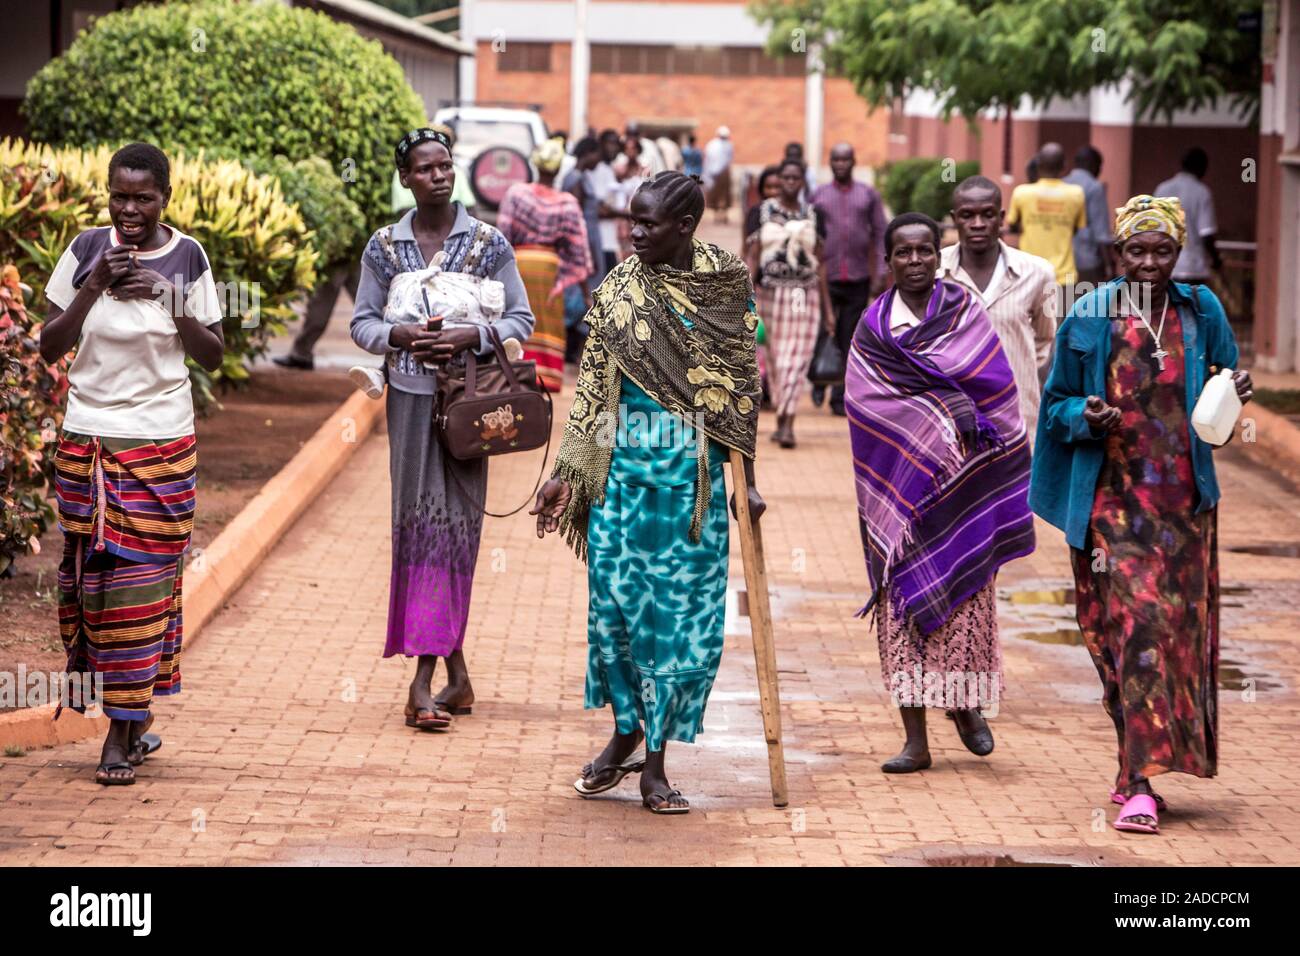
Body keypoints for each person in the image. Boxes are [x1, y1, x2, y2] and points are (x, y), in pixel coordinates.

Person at [531, 171, 764, 815]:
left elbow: (741, 390)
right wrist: (567, 474)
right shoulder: (618, 291)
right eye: (631, 220)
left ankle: (654, 765)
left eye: (648, 223)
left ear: (684, 228)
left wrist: (751, 480)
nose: (633, 233)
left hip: (693, 491)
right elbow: (594, 394)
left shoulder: (724, 284)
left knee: (681, 625)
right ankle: (625, 731)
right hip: (622, 489)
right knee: (617, 619)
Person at [1031, 195, 1252, 835]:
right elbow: (1056, 407)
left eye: (1162, 251)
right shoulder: (1089, 316)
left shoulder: (1201, 309)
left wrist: (1237, 392)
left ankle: (1139, 776)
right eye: (1137, 250)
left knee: (1167, 640)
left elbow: (1229, 380)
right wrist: (1084, 415)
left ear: (1178, 253)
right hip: (1111, 505)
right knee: (1128, 631)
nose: (1149, 262)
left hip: (1183, 510)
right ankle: (1139, 779)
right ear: (1117, 253)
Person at [38, 143, 226, 785]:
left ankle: (120, 733)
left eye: (143, 198)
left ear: (164, 198)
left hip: (160, 445)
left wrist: (165, 295)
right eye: (120, 195)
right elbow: (49, 345)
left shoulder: (188, 257)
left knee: (142, 585)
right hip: (88, 441)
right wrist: (93, 286)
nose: (129, 209)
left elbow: (214, 354)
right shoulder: (85, 248)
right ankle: (131, 715)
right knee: (92, 583)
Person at [350, 126, 535, 730]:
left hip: (470, 410)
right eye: (425, 168)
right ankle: (441, 676)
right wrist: (399, 336)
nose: (439, 175)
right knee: (419, 531)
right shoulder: (383, 247)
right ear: (405, 178)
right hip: (408, 401)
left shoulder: (487, 243)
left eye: (446, 166)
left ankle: (430, 681)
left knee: (455, 534)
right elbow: (363, 324)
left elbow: (520, 318)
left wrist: (469, 336)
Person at [846, 212, 1035, 774]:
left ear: (938, 255)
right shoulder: (874, 326)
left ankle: (968, 707)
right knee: (903, 607)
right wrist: (938, 410)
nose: (914, 262)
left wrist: (963, 408)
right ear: (889, 261)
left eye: (924, 251)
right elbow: (864, 403)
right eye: (902, 253)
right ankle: (915, 741)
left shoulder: (963, 312)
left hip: (966, 484)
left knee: (967, 603)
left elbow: (994, 387)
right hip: (902, 494)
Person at [940, 175, 1058, 437]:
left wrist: (1010, 364)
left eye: (988, 215)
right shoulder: (935, 273)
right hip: (952, 423)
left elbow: (1043, 340)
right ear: (954, 218)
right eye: (967, 215)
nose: (978, 224)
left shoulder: (1039, 274)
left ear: (1002, 217)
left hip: (1018, 421)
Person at [496, 137, 593, 391]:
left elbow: (501, 238)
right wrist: (585, 293)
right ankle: (542, 382)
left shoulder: (516, 194)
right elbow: (579, 248)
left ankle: (514, 374)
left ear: (536, 165)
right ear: (559, 168)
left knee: (516, 320)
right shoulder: (567, 203)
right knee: (546, 328)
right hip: (550, 273)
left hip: (518, 268)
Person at [745, 158, 831, 448]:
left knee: (797, 358)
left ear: (803, 181)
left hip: (802, 295)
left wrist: (829, 310)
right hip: (770, 294)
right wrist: (746, 293)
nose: (791, 182)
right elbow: (754, 254)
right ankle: (781, 419)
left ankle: (789, 423)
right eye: (786, 178)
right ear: (779, 180)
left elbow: (821, 263)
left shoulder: (813, 213)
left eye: (796, 178)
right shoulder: (763, 211)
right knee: (776, 360)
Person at [810, 142, 890, 415]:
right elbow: (808, 235)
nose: (841, 164)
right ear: (830, 163)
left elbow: (881, 233)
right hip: (825, 277)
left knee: (848, 337)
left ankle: (838, 395)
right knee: (822, 332)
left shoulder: (868, 195)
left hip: (858, 276)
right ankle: (818, 377)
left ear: (854, 161)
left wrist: (881, 271)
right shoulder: (818, 196)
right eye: (836, 160)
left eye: (845, 159)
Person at [1008, 142, 1086, 286]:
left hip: (1029, 273)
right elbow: (1075, 229)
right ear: (1064, 165)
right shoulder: (1076, 194)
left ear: (1038, 164)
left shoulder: (1021, 192)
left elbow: (1012, 225)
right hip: (1065, 275)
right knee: (1066, 309)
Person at [1155, 147, 1221, 284]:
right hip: (1193, 268)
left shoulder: (1162, 189)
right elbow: (1206, 233)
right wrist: (1216, 259)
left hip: (1165, 266)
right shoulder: (1201, 192)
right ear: (1202, 168)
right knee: (1193, 305)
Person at [1063, 145, 1116, 286]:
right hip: (1086, 260)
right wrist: (1109, 266)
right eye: (1099, 166)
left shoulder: (1062, 184)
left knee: (1064, 304)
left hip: (1062, 259)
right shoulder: (1094, 187)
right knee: (1087, 305)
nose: (1100, 171)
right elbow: (1101, 232)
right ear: (1092, 164)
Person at [592, 129, 626, 275]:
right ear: (601, 144)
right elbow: (596, 209)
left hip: (610, 241)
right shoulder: (596, 169)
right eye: (610, 143)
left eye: (616, 144)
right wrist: (627, 215)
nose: (614, 148)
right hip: (598, 241)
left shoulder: (609, 169)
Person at [702, 126, 734, 223]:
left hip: (716, 173)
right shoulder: (726, 145)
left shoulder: (711, 145)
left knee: (720, 194)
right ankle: (720, 216)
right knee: (720, 194)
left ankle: (721, 215)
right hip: (721, 173)